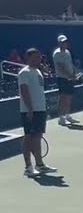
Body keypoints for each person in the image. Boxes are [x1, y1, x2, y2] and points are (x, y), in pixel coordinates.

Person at [17, 48, 55, 177]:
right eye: (36, 57)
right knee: (28, 137)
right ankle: (28, 167)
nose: (39, 59)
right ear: (29, 58)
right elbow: (24, 90)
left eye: (39, 57)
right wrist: (29, 109)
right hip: (30, 110)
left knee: (37, 136)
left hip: (40, 109)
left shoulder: (38, 71)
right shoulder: (24, 72)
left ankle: (40, 164)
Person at [51, 34, 77, 125]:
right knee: (63, 98)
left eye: (65, 42)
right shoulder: (57, 53)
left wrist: (73, 73)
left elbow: (70, 64)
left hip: (69, 77)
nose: (64, 43)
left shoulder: (67, 52)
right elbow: (61, 66)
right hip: (62, 78)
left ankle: (67, 116)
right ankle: (61, 118)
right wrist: (70, 75)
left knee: (69, 97)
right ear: (59, 43)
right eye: (62, 42)